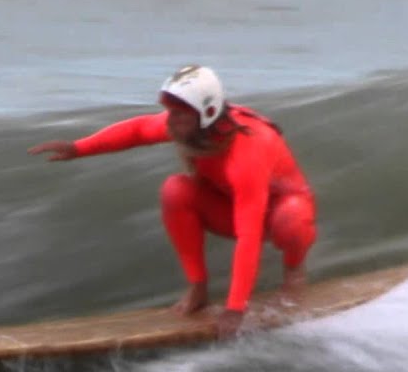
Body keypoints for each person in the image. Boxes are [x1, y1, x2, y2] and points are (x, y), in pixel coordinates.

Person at [28, 65, 317, 338]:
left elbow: (249, 235)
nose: (170, 121)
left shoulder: (247, 153)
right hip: (229, 204)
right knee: (175, 190)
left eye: (179, 114)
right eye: (170, 112)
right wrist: (77, 148)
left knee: (291, 217)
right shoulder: (190, 126)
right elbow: (138, 130)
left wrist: (235, 308)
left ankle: (294, 272)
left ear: (208, 112)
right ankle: (198, 287)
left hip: (280, 211)